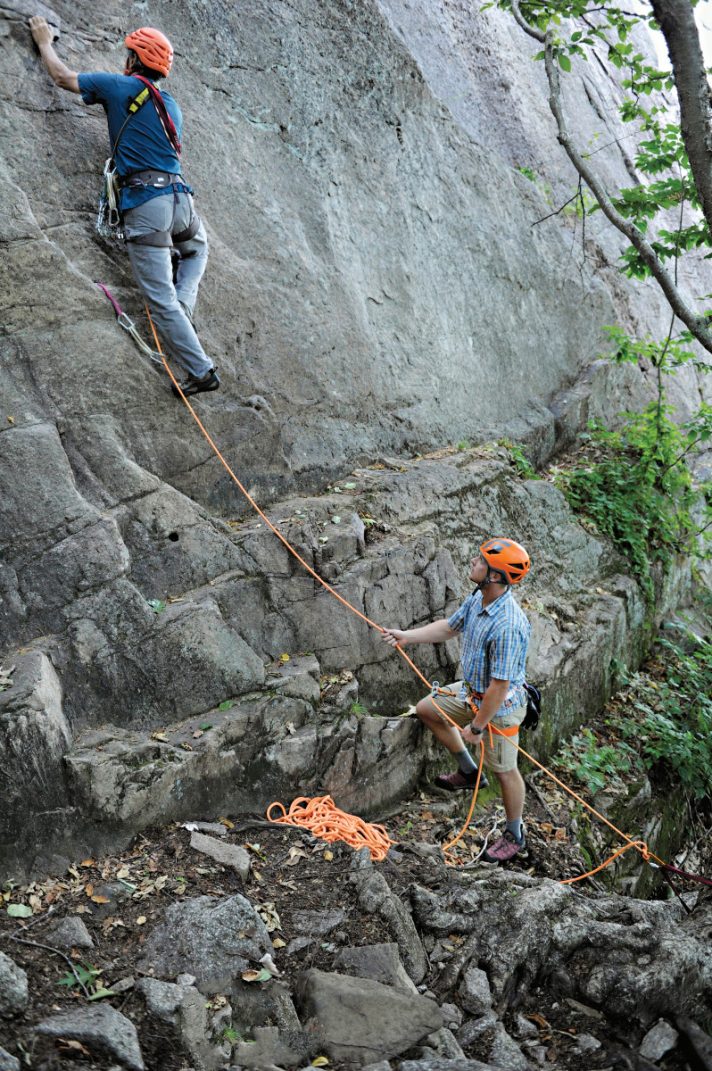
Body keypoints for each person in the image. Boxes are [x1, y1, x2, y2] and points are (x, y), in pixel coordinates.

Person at [28, 16, 220, 398]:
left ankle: (201, 371)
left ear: (134, 58)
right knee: (196, 250)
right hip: (182, 203)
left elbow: (64, 78)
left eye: (128, 53)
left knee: (159, 298)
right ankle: (184, 313)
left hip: (148, 205)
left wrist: (44, 42)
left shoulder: (119, 86)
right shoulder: (171, 105)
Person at [382, 537, 532, 864]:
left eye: (481, 562)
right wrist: (407, 636)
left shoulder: (508, 625)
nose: (473, 563)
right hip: (471, 693)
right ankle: (469, 771)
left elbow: (499, 686)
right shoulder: (478, 598)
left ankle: (515, 833)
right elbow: (449, 628)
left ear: (494, 577)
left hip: (498, 708)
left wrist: (477, 728)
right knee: (427, 710)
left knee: (505, 770)